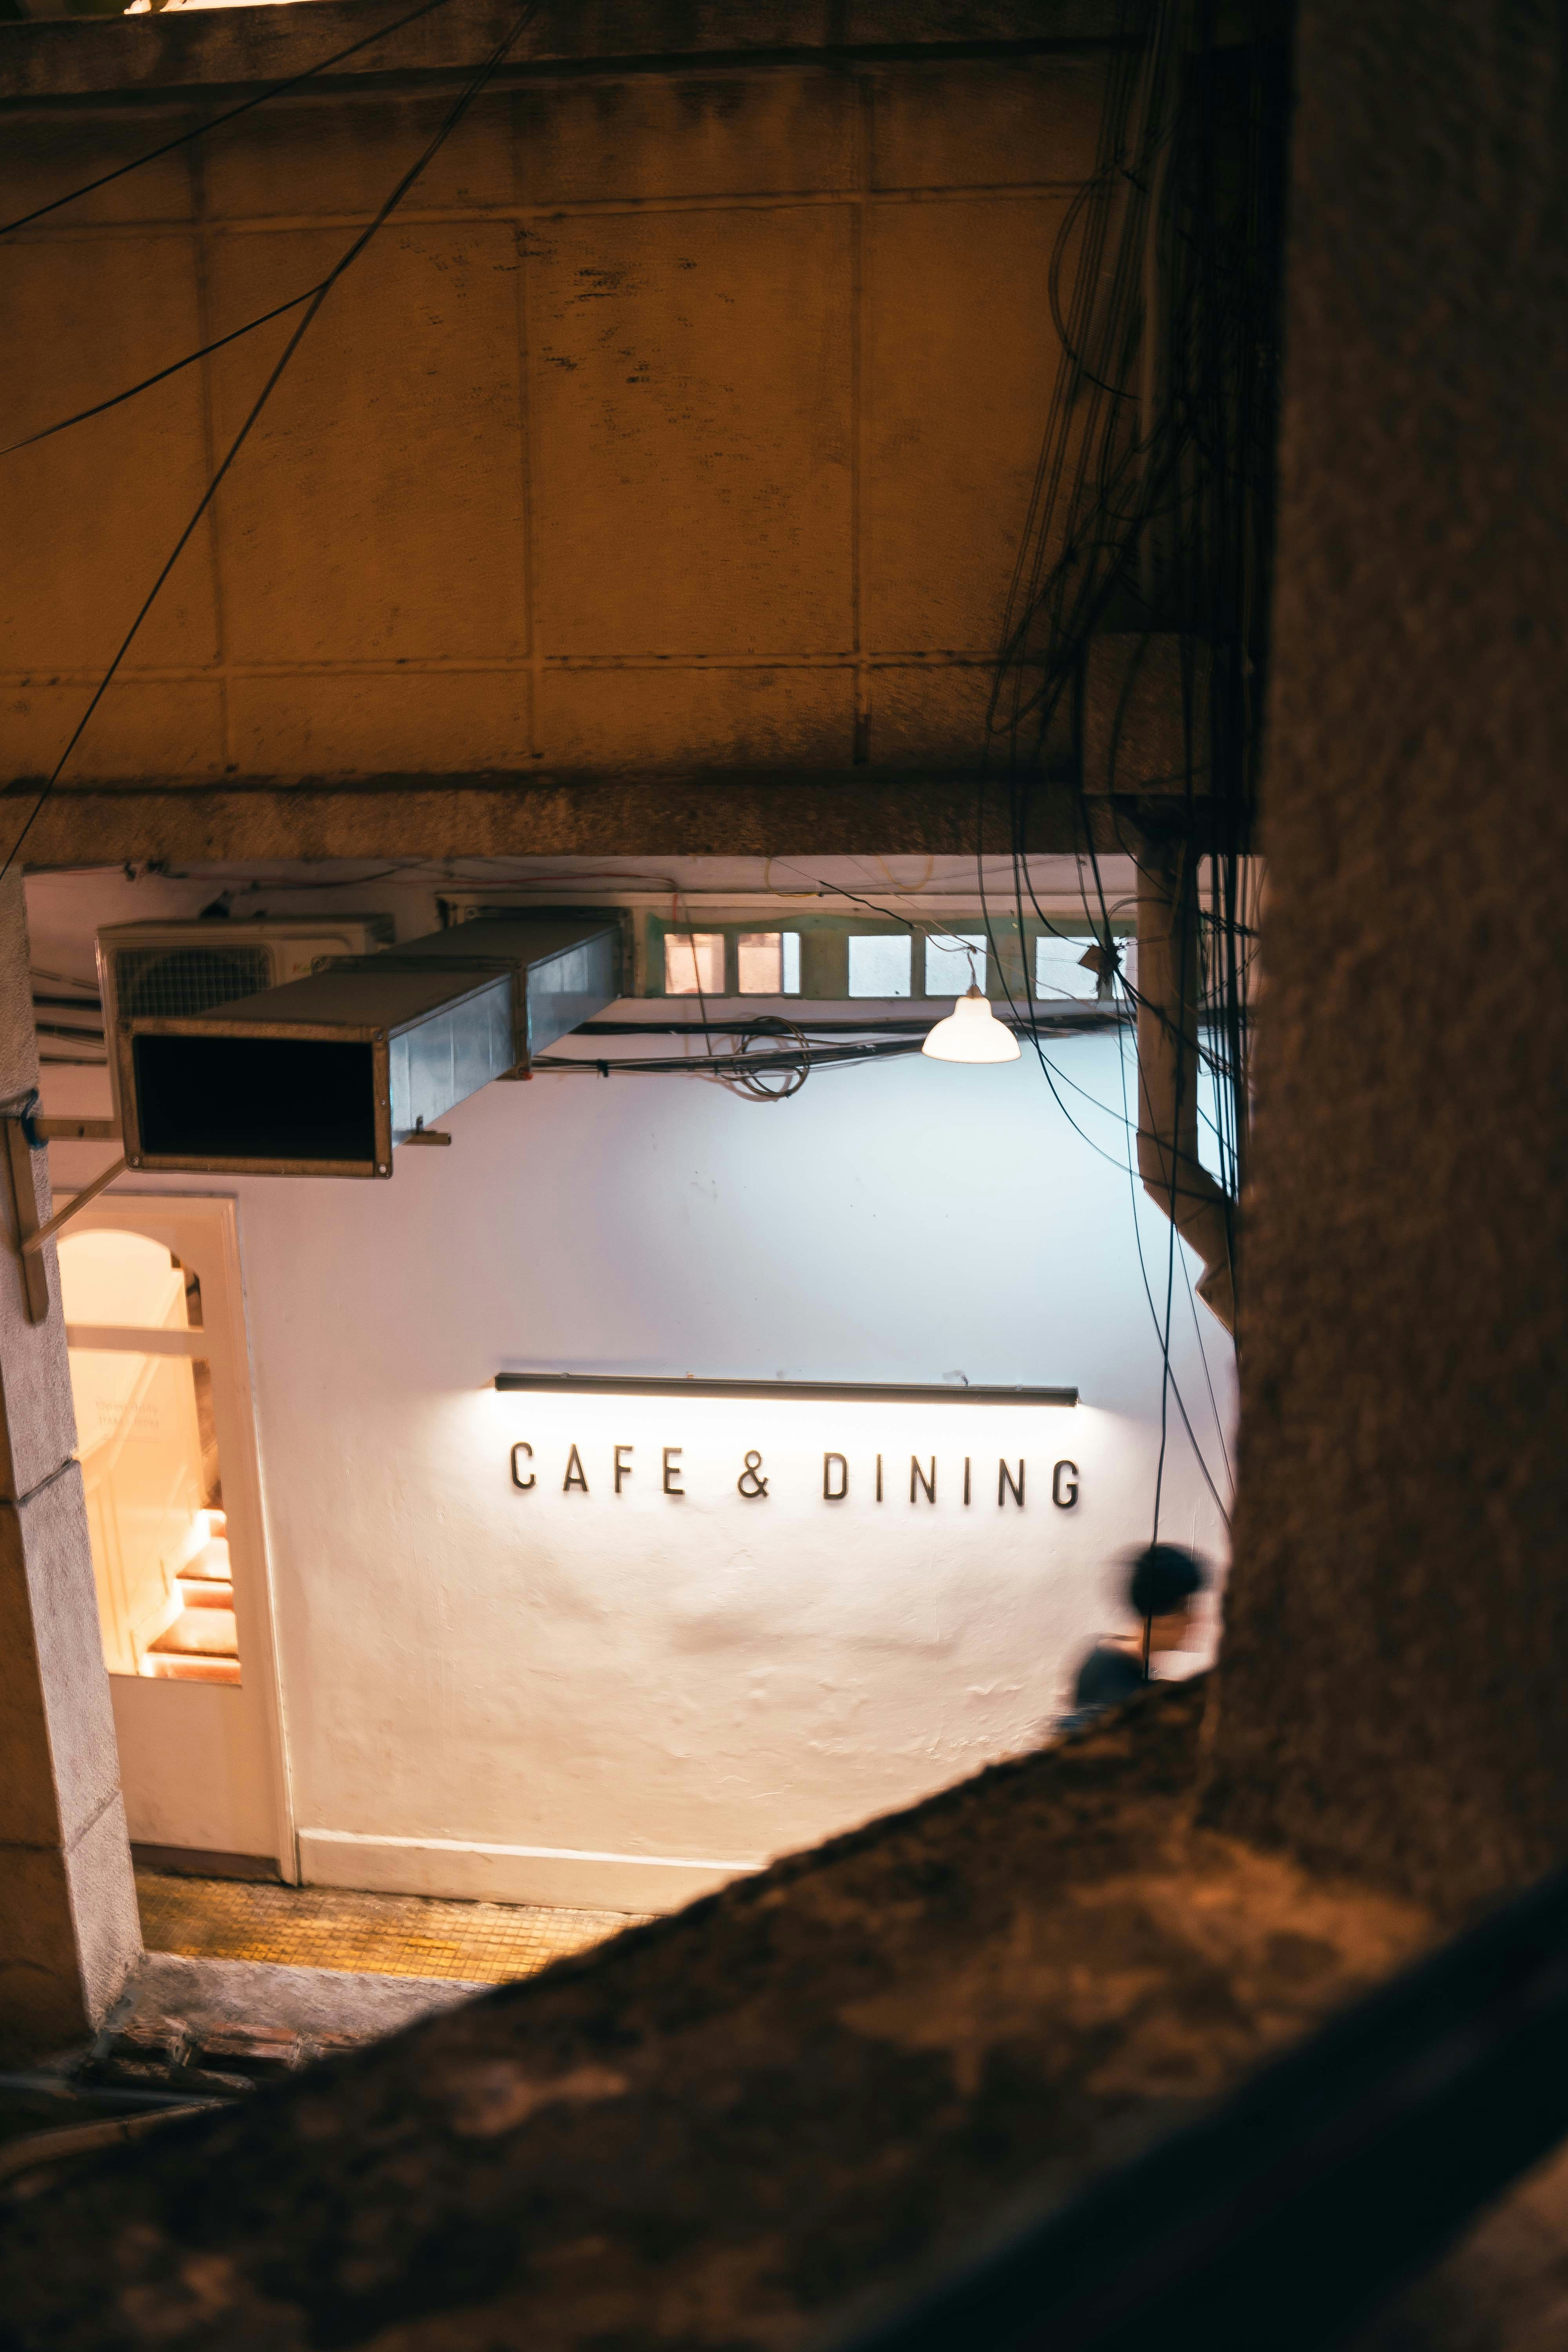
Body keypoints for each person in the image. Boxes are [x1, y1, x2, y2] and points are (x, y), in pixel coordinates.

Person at [1061, 1543, 1209, 1731]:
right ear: (1159, 1616)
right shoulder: (1112, 1679)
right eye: (1185, 1608)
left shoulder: (1113, 1655)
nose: (1193, 1619)